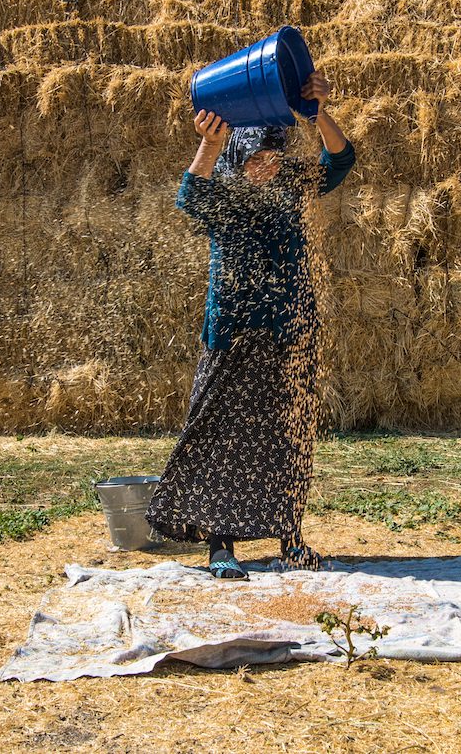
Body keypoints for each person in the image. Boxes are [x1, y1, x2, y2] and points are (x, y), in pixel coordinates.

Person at [145, 70, 355, 580]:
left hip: (290, 324)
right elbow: (189, 194)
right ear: (240, 158)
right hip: (234, 329)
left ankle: (290, 538)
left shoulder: (293, 185)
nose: (266, 166)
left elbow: (341, 158)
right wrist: (209, 147)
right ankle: (221, 545)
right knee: (220, 432)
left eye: (274, 157)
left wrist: (316, 112)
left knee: (289, 434)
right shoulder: (222, 194)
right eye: (256, 158)